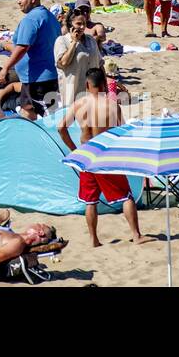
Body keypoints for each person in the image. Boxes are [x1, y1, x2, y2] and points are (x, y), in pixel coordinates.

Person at [58, 68, 146, 246]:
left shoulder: (78, 104)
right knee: (126, 196)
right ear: (104, 85)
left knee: (90, 201)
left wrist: (74, 149)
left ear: (87, 85)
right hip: (106, 154)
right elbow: (123, 132)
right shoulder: (112, 105)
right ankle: (136, 235)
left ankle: (94, 239)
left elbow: (61, 128)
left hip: (86, 155)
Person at [0, 0, 61, 107]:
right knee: (51, 114)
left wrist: (5, 68)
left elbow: (23, 48)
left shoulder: (31, 19)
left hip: (36, 78)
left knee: (29, 113)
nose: (19, 2)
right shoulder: (49, 16)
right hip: (51, 75)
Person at [55, 9, 103, 108]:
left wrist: (104, 84)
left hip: (93, 91)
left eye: (84, 24)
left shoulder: (91, 40)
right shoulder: (62, 41)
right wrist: (74, 42)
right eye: (78, 24)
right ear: (70, 25)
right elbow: (63, 63)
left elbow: (100, 64)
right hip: (73, 93)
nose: (82, 27)